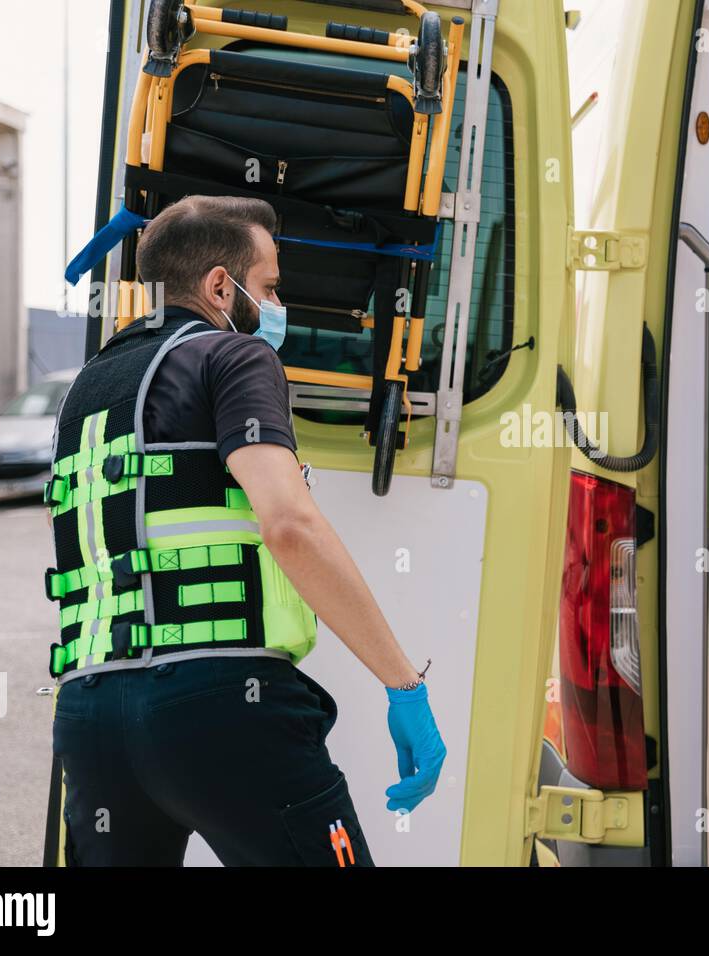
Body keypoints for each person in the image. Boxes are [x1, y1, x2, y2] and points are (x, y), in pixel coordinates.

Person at [44, 195, 445, 866]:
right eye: (269, 286)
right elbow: (288, 525)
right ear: (220, 286)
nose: (277, 305)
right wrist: (404, 685)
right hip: (222, 706)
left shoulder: (86, 388)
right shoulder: (232, 358)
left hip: (91, 718)